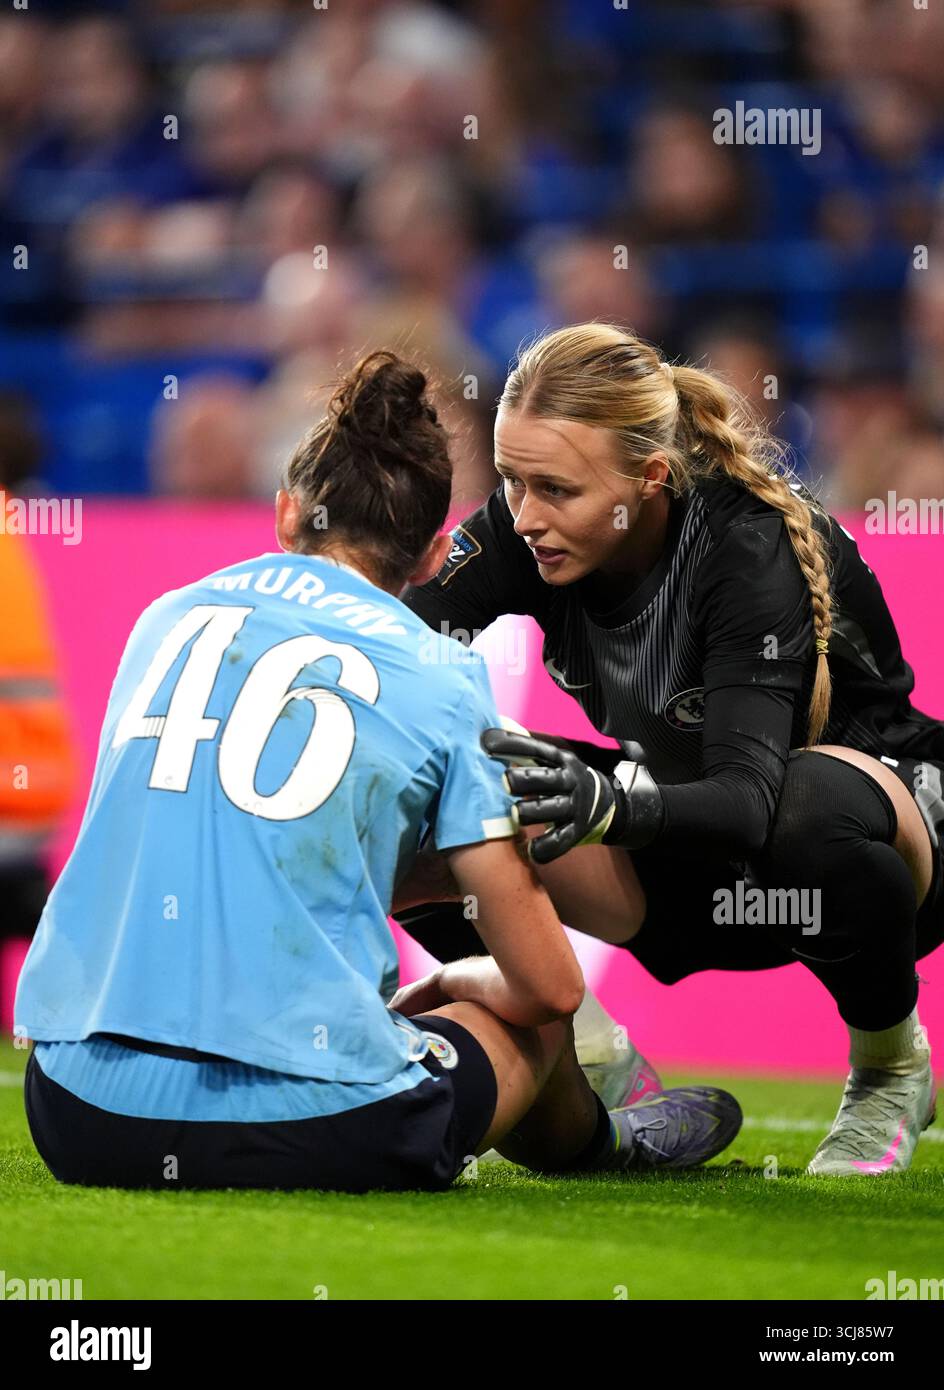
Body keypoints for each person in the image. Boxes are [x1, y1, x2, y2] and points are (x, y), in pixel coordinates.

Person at [14, 350, 741, 1192]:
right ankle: (602, 1146)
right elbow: (548, 986)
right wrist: (452, 979)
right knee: (535, 1026)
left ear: (288, 515)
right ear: (435, 556)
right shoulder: (441, 674)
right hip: (316, 1131)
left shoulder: (165, 619)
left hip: (75, 1113)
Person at [397, 322, 944, 1177]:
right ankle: (588, 1061)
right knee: (415, 786)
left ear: (648, 478)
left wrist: (612, 807)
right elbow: (393, 653)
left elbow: (751, 799)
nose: (526, 515)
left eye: (556, 490)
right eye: (509, 482)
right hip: (689, 842)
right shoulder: (522, 525)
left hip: (863, 849)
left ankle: (889, 1067)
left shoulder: (744, 547)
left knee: (805, 808)